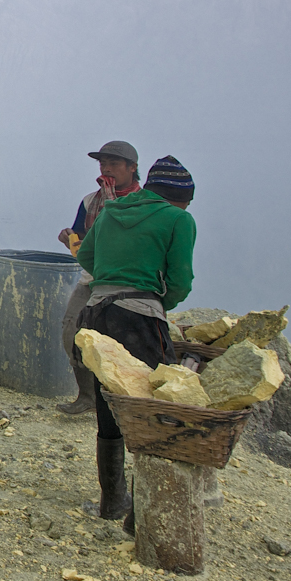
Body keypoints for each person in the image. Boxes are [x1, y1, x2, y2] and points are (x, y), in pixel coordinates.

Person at [73, 156, 197, 523]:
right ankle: (142, 512)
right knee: (155, 409)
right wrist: (157, 301)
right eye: (187, 201)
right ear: (178, 198)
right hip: (140, 319)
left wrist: (112, 279)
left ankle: (112, 500)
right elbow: (180, 281)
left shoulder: (111, 212)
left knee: (109, 401)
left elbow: (89, 256)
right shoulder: (179, 220)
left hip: (96, 315)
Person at [55, 140, 142, 414]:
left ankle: (122, 403)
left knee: (123, 342)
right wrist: (69, 238)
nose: (106, 169)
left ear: (132, 168)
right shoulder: (91, 201)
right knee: (72, 331)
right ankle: (87, 397)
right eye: (103, 164)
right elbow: (81, 239)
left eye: (113, 164)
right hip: (92, 278)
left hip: (129, 282)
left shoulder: (144, 202)